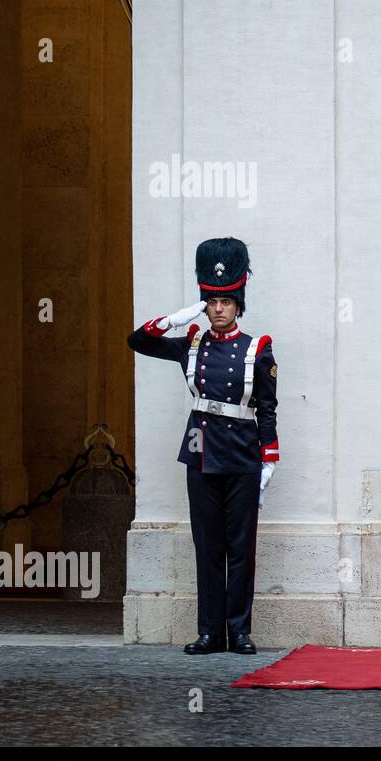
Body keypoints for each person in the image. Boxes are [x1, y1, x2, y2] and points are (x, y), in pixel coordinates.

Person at [127, 237, 278, 655]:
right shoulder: (190, 344)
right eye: (211, 301)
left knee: (241, 548)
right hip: (201, 453)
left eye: (226, 301)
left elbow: (267, 409)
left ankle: (240, 631)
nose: (218, 308)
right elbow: (136, 341)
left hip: (243, 456)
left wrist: (269, 459)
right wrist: (175, 319)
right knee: (207, 546)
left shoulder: (257, 349)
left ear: (238, 304)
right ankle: (210, 631)